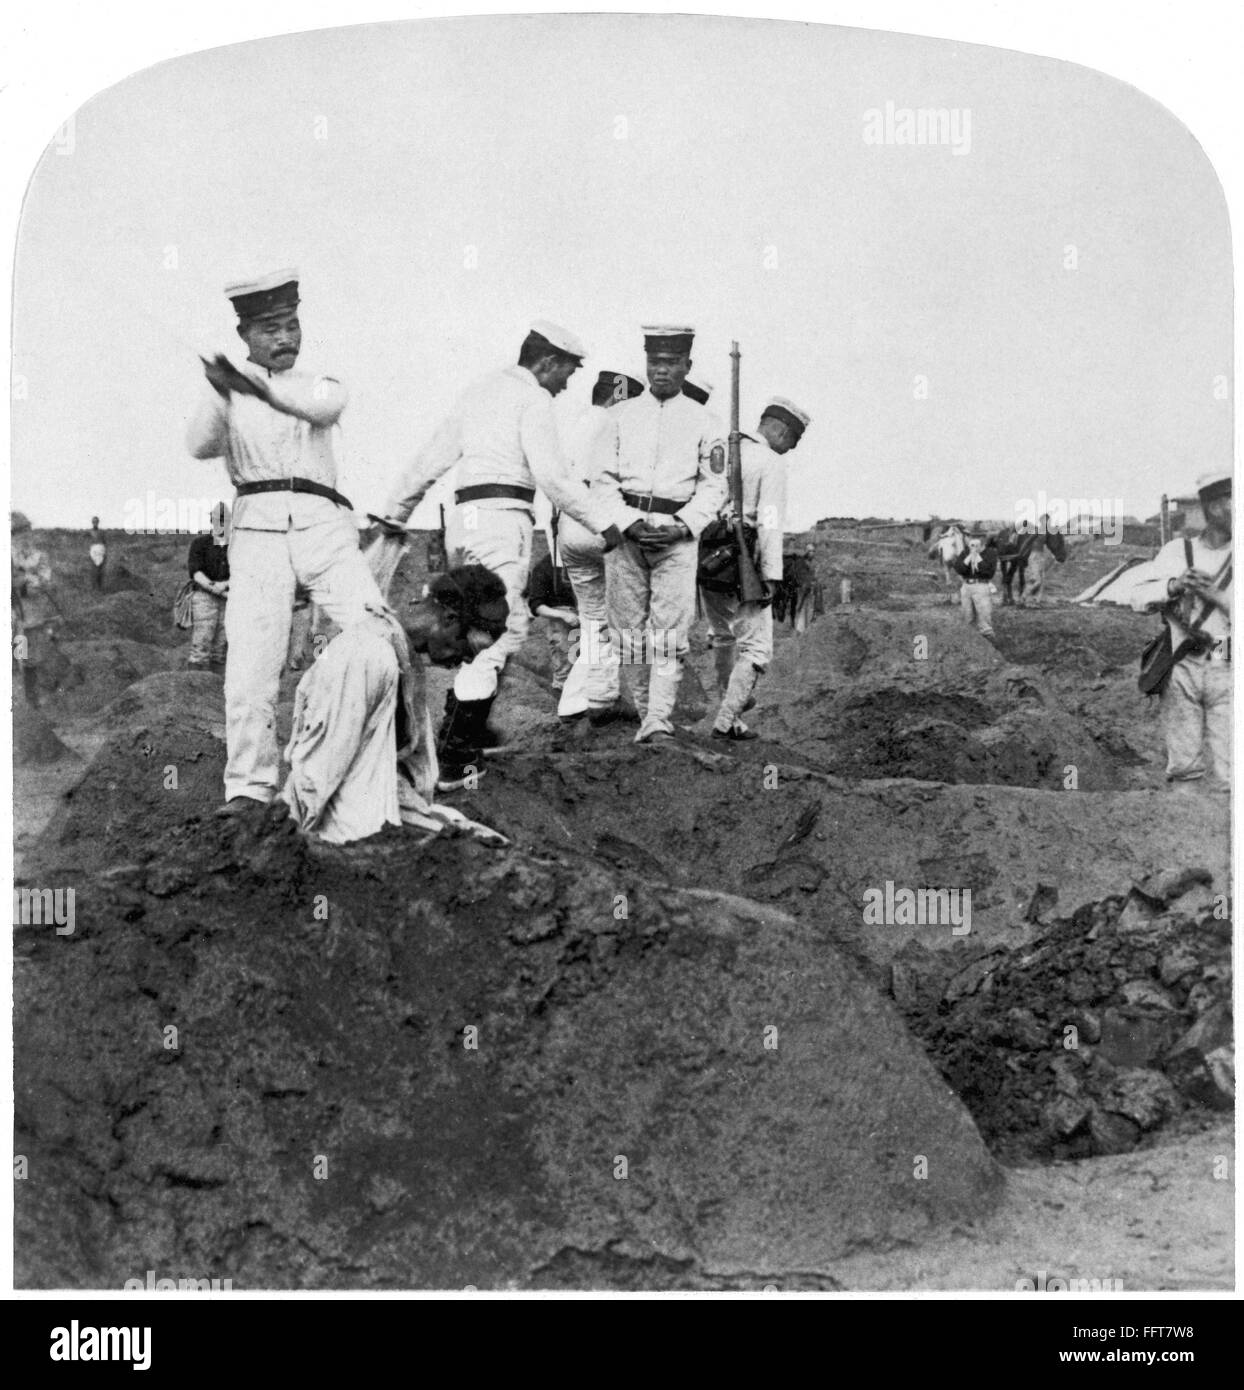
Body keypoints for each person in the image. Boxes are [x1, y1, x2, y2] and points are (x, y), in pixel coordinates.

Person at [380, 321, 625, 780]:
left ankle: (463, 729)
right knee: (494, 632)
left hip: (465, 521)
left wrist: (395, 511)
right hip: (502, 520)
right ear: (546, 362)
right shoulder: (532, 399)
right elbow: (553, 478)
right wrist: (603, 523)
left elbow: (431, 459)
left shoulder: (478, 392)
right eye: (566, 372)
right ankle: (456, 755)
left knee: (481, 626)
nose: (567, 383)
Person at [186, 268, 385, 816]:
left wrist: (255, 388)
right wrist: (217, 389)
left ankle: (382, 769)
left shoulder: (319, 381)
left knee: (377, 634)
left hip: (324, 522)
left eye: (291, 325)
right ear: (245, 335)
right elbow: (198, 446)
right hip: (257, 527)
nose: (285, 338)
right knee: (251, 663)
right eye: (271, 328)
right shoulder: (227, 392)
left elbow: (325, 408)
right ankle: (249, 788)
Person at [281, 564, 510, 845]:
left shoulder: (399, 655)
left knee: (486, 842)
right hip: (347, 833)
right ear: (450, 619)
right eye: (470, 649)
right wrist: (291, 844)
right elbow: (319, 767)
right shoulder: (370, 655)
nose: (467, 661)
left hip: (377, 809)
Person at [595, 325, 728, 743]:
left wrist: (683, 525)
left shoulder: (706, 421)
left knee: (670, 630)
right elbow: (600, 479)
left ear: (687, 366)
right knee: (627, 627)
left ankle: (658, 717)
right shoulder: (619, 416)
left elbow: (715, 485)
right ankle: (641, 710)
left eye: (671, 363)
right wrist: (627, 521)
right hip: (627, 532)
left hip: (677, 536)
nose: (661, 371)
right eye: (655, 362)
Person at [702, 397, 807, 740]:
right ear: (779, 430)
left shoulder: (717, 450)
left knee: (722, 637)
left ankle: (730, 716)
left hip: (707, 556)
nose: (789, 450)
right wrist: (771, 575)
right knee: (757, 648)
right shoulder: (769, 463)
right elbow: (770, 523)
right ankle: (725, 720)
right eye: (791, 440)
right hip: (742, 559)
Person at [1128, 469, 1231, 788]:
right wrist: (1173, 585)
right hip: (1182, 661)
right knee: (1183, 767)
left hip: (1226, 660)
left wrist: (1218, 597)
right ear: (1214, 508)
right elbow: (1137, 596)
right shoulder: (1176, 551)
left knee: (1232, 766)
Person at [555, 367, 645, 725]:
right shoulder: (614, 426)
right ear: (618, 398)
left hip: (569, 527)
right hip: (602, 523)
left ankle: (581, 701)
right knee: (642, 612)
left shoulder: (573, 426)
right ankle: (625, 700)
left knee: (593, 620)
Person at [11, 512, 61, 707]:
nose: (21, 537)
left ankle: (31, 703)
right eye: (15, 533)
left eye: (24, 531)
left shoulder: (39, 556)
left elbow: (42, 582)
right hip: (13, 617)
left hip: (30, 619)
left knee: (28, 660)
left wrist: (24, 581)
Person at [186, 502, 230, 672]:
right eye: (218, 519)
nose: (221, 523)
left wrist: (224, 585)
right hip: (204, 598)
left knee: (221, 646)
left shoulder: (233, 546)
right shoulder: (200, 543)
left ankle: (215, 688)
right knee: (201, 644)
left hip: (226, 599)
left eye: (224, 520)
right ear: (212, 521)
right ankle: (194, 686)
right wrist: (214, 587)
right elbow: (196, 572)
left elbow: (241, 571)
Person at [954, 532, 998, 638]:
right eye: (972, 537)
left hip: (981, 586)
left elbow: (988, 572)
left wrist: (977, 557)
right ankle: (971, 641)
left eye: (978, 537)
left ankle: (988, 642)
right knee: (967, 616)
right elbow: (959, 569)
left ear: (983, 540)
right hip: (966, 586)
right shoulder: (964, 552)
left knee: (984, 616)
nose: (974, 540)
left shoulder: (990, 553)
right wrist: (969, 557)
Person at [88, 516, 108, 591]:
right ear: (92, 522)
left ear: (98, 522)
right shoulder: (90, 532)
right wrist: (90, 553)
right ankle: (94, 588)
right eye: (94, 521)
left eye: (96, 521)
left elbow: (104, 543)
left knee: (100, 570)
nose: (95, 523)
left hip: (101, 551)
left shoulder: (101, 532)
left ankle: (100, 587)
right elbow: (88, 543)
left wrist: (105, 553)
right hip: (93, 552)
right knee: (94, 570)